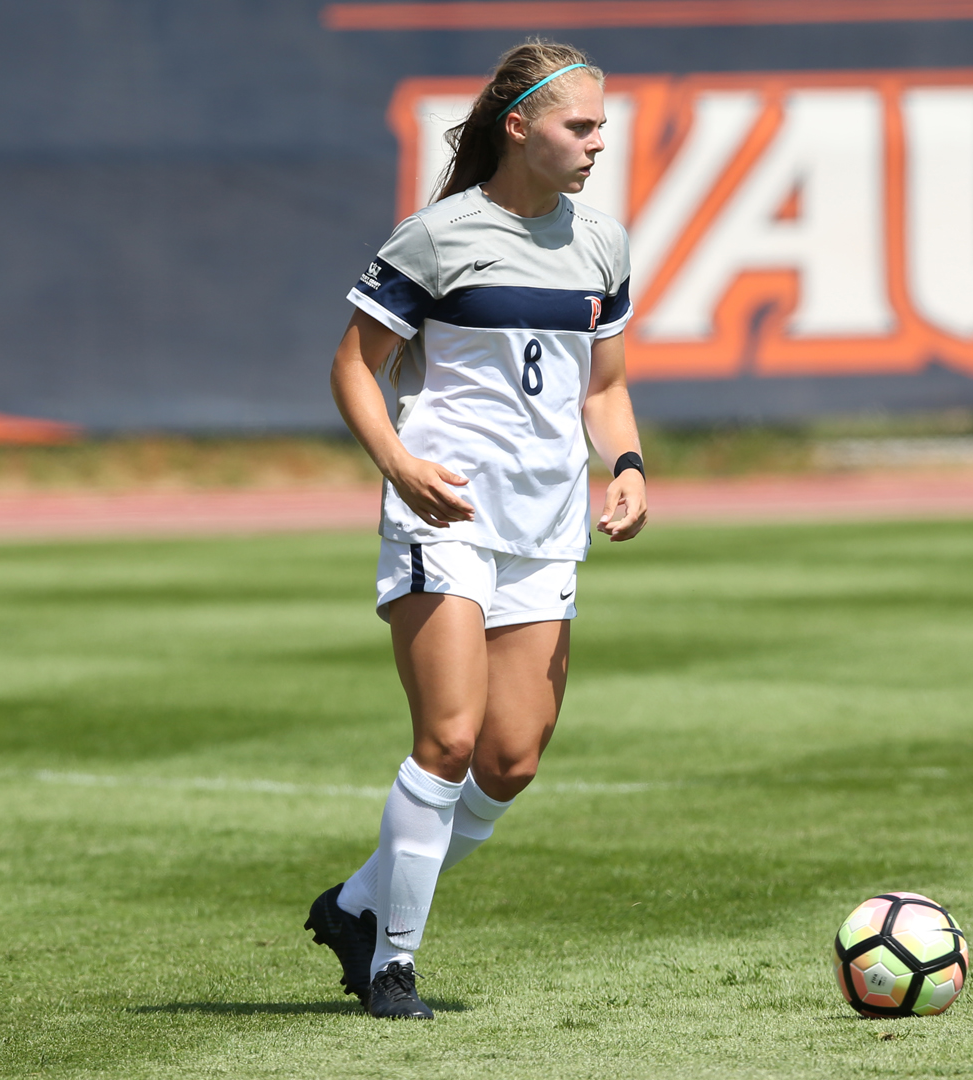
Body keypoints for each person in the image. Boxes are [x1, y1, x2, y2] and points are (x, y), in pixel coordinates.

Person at [305, 40, 647, 1020]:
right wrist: (402, 463)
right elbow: (352, 368)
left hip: (546, 525)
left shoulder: (601, 243)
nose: (596, 143)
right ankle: (392, 964)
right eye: (579, 126)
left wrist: (625, 468)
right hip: (442, 513)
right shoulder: (438, 237)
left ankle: (360, 905)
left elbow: (608, 387)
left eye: (600, 126)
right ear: (519, 129)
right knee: (448, 740)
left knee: (510, 760)